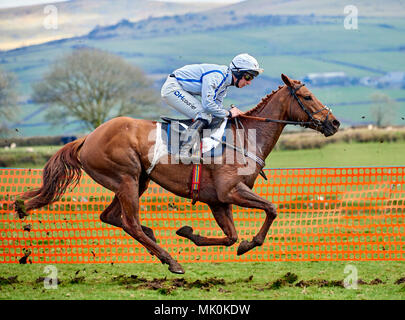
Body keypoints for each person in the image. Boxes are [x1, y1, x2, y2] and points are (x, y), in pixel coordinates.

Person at [161, 53, 263, 161]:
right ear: (238, 73)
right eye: (248, 76)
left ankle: (197, 144)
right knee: (204, 115)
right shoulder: (217, 77)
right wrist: (229, 113)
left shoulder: (224, 86)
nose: (249, 82)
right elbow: (208, 105)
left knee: (212, 116)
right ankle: (183, 150)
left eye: (252, 78)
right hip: (173, 88)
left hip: (182, 88)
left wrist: (228, 115)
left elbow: (216, 111)